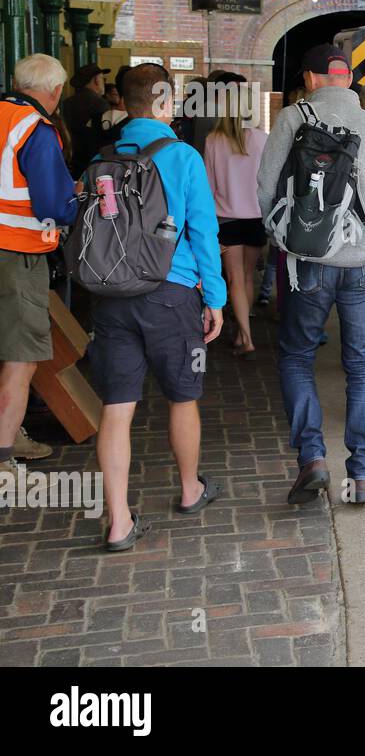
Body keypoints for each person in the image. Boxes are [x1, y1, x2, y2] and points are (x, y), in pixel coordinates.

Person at [89, 64, 227, 550]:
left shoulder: (103, 154)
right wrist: (216, 298)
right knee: (182, 397)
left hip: (110, 295)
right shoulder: (182, 155)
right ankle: (190, 490)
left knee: (117, 408)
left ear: (124, 103)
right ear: (166, 102)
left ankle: (119, 522)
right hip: (171, 293)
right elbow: (204, 233)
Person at [257, 44, 365, 506]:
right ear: (347, 77)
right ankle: (362, 478)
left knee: (297, 357)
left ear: (312, 79)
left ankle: (313, 459)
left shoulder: (292, 120)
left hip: (308, 265)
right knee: (362, 364)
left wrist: (288, 241)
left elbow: (266, 188)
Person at [0, 55, 79, 478]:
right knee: (19, 357)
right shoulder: (36, 129)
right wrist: (77, 196)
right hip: (15, 253)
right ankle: (3, 458)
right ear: (55, 91)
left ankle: (13, 433)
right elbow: (54, 205)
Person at [204, 89, 269, 358]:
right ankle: (244, 335)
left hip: (226, 219)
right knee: (248, 277)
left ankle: (247, 338)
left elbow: (208, 185)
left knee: (234, 281)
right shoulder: (262, 139)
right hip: (256, 218)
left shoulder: (213, 140)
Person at [62, 64, 111, 176]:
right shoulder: (100, 104)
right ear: (96, 81)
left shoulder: (66, 103)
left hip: (70, 159)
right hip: (92, 161)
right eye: (103, 79)